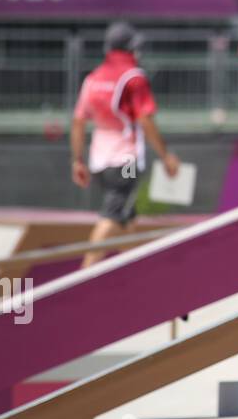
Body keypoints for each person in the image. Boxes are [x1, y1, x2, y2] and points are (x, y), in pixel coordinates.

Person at [69, 21, 180, 267]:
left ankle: (139, 276)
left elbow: (78, 122)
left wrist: (77, 160)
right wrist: (166, 157)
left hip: (98, 163)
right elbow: (145, 120)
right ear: (131, 49)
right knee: (110, 218)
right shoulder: (134, 78)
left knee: (126, 220)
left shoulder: (93, 79)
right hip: (126, 162)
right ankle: (81, 278)